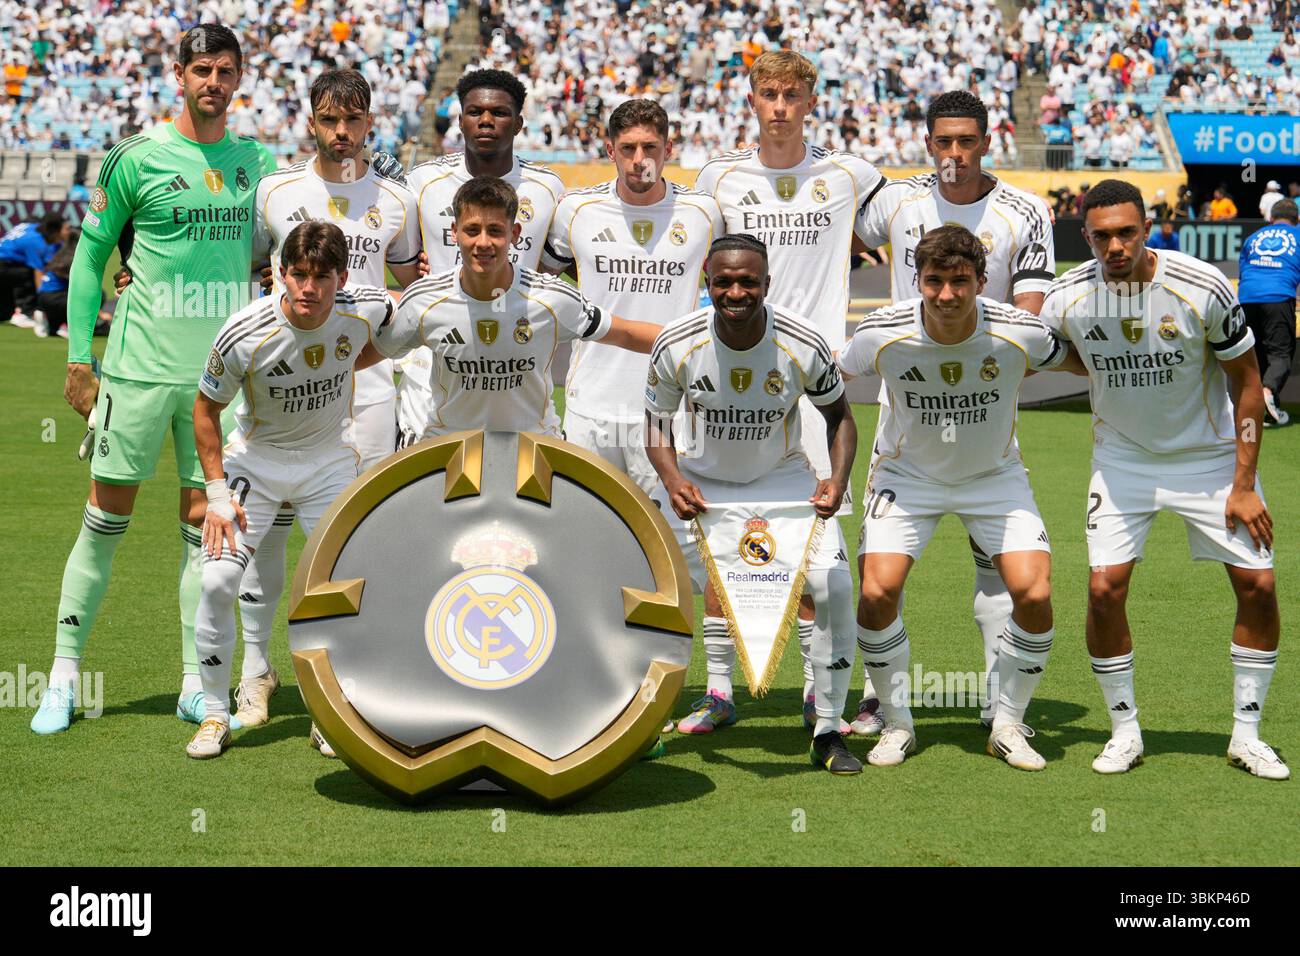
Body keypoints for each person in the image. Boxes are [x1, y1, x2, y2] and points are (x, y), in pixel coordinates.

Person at [30, 25, 279, 736]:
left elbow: (276, 248)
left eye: (226, 71)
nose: (213, 82)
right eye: (202, 69)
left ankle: (196, 686)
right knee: (104, 524)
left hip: (220, 384)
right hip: (137, 372)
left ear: (239, 79)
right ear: (179, 75)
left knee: (205, 535)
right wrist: (81, 358)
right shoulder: (133, 159)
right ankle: (63, 678)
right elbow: (89, 260)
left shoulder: (256, 161)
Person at [1040, 180, 1286, 780]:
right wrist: (1097, 368)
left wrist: (1244, 481)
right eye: (1101, 236)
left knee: (1258, 584)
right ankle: (1125, 730)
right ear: (1086, 235)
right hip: (1122, 461)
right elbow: (1054, 353)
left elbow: (1248, 383)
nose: (1115, 246)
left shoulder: (1200, 286)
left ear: (1147, 227)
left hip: (1209, 458)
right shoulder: (1065, 298)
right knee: (1103, 591)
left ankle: (1246, 735)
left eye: (1126, 232)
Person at [224, 68, 423, 750]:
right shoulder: (277, 191)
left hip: (364, 383)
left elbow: (409, 282)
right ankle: (255, 671)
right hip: (279, 387)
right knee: (265, 535)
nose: (342, 132)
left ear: (370, 122)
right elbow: (247, 272)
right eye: (330, 119)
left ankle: (337, 690)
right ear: (312, 120)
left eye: (354, 120)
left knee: (350, 541)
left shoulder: (396, 200)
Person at [838, 226, 1081, 771]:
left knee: (1035, 594)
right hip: (907, 477)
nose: (946, 294)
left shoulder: (1021, 331)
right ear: (918, 280)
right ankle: (898, 724)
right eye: (934, 281)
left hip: (994, 478)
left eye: (960, 281)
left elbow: (1084, 364)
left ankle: (1008, 724)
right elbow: (831, 375)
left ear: (981, 280)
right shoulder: (882, 332)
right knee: (877, 592)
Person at [852, 90, 1056, 732]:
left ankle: (1001, 701)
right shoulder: (895, 201)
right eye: (944, 141)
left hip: (984, 409)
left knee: (997, 564)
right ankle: (876, 695)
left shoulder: (1025, 210)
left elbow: (1030, 313)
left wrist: (979, 366)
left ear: (986, 140)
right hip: (907, 412)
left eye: (967, 141)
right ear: (928, 141)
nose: (955, 154)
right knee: (881, 579)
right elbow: (837, 247)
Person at [694, 50, 884, 732]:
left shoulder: (850, 175)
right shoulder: (718, 176)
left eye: (791, 94)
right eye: (768, 94)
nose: (779, 106)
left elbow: (912, 232)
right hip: (733, 381)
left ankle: (817, 691)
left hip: (814, 388)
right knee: (722, 531)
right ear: (752, 98)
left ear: (811, 99)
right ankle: (718, 692)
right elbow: (699, 271)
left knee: (816, 551)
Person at [642, 234, 861, 773]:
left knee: (832, 583)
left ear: (767, 284)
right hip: (704, 483)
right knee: (677, 591)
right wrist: (672, 480)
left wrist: (836, 478)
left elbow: (841, 419)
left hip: (784, 482)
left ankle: (825, 720)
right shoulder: (676, 342)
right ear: (707, 283)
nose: (735, 292)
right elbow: (655, 426)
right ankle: (716, 697)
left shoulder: (801, 341)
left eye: (747, 282)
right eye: (723, 281)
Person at [185, 225, 392, 760]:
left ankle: (331, 710)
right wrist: (215, 494)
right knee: (216, 582)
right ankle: (213, 714)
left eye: (323, 276)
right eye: (298, 274)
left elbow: (403, 309)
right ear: (279, 273)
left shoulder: (362, 308)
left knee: (344, 586)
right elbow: (204, 411)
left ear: (342, 277)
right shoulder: (243, 332)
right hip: (256, 462)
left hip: (328, 463)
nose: (309, 288)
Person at [373, 177, 660, 439]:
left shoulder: (552, 299)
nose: (483, 242)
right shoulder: (424, 300)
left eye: (495, 231)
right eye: (472, 230)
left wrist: (691, 342)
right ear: (455, 232)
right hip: (449, 450)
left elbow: (626, 333)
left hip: (534, 452)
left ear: (515, 233)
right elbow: (376, 351)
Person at [540, 99, 723, 495]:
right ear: (610, 151)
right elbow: (539, 281)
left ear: (668, 150)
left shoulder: (704, 213)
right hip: (590, 404)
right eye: (627, 149)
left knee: (669, 541)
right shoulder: (576, 210)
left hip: (671, 409)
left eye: (650, 148)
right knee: (589, 530)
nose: (639, 160)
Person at [401, 69, 565, 448]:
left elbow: (548, 270)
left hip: (517, 362)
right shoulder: (422, 182)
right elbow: (405, 264)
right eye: (474, 112)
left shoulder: (548, 188)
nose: (486, 120)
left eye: (500, 113)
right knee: (427, 487)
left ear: (519, 123)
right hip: (435, 358)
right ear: (460, 121)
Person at [1237, 197, 1300, 427]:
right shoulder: (1298, 235)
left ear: (1271, 218)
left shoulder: (1254, 237)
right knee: (1281, 354)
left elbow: (1243, 269)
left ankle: (1266, 409)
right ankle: (1269, 389)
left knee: (1257, 353)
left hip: (1246, 298)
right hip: (1278, 296)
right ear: (1297, 220)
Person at [0, 212, 70, 328]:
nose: (69, 232)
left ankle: (10, 311)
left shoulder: (32, 228)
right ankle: (24, 313)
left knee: (5, 312)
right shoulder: (35, 241)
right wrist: (43, 298)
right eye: (66, 229)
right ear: (55, 230)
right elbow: (38, 272)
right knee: (27, 274)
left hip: (7, 265)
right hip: (4, 265)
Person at [34, 227, 80, 338]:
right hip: (55, 297)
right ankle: (67, 325)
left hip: (43, 296)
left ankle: (54, 325)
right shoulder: (73, 258)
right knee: (94, 294)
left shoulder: (59, 253)